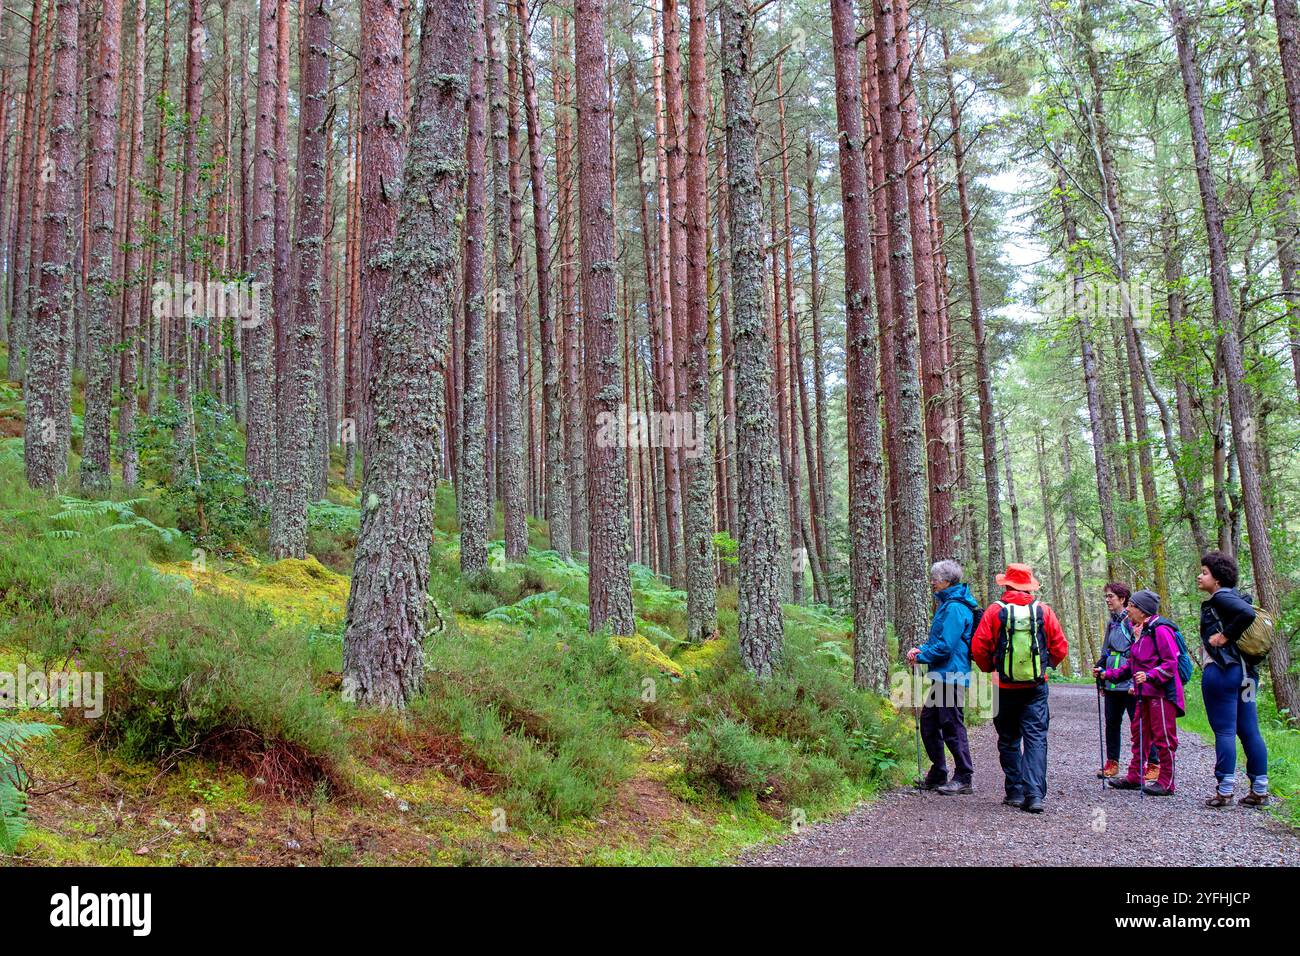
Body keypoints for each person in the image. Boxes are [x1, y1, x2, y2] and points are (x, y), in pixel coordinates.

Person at [970, 563, 1068, 814]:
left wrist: (990, 670)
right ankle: (1034, 794)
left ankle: (1014, 791)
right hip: (1035, 686)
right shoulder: (1044, 611)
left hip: (1002, 686)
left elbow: (979, 648)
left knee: (1008, 739)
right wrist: (1046, 666)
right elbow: (1060, 647)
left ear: (1007, 584)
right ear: (1028, 586)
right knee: (1036, 739)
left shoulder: (994, 611)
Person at [1197, 551, 1269, 808]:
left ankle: (1225, 789)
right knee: (1250, 730)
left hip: (1223, 671)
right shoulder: (1237, 598)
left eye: (1204, 572)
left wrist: (1224, 636)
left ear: (1217, 579)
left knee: (1225, 730)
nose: (1200, 576)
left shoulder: (1222, 598)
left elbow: (1246, 615)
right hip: (1247, 674)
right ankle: (1259, 789)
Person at [1096, 589, 1183, 796]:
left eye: (1132, 606)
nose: (1128, 609)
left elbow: (1170, 664)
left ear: (1143, 611)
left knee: (1163, 737)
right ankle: (1135, 775)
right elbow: (1133, 665)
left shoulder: (1161, 630)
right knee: (1139, 733)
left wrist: (1151, 675)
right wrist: (1107, 674)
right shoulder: (1142, 631)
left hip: (1161, 695)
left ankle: (1166, 782)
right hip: (1144, 693)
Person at [906, 560, 979, 796]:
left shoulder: (956, 607)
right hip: (942, 674)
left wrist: (923, 656)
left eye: (935, 579)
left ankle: (964, 776)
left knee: (951, 725)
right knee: (928, 724)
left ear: (947, 581)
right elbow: (939, 640)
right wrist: (921, 650)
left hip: (953, 674)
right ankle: (939, 772)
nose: (932, 583)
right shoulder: (947, 605)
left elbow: (946, 646)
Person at [1094, 583, 1160, 782]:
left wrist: (1135, 682)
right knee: (1111, 723)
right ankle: (1112, 763)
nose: (1107, 600)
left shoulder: (1134, 621)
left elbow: (1141, 652)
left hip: (1131, 682)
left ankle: (1153, 763)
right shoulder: (1111, 623)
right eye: (1106, 596)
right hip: (1113, 681)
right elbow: (1105, 650)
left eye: (1111, 596)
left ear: (1122, 599)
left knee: (1140, 724)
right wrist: (1101, 678)